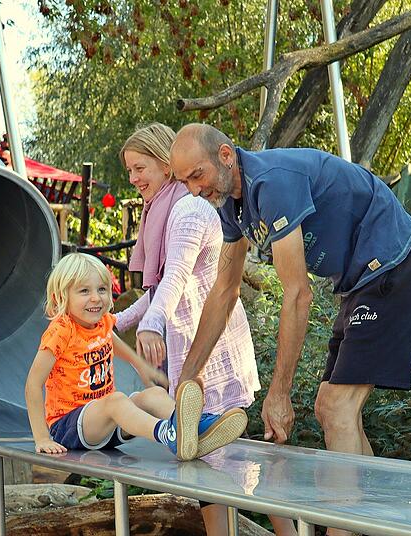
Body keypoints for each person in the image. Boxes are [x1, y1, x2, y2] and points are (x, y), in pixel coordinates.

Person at [169, 123, 411, 536]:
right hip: (359, 281)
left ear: (225, 155)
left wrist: (279, 393)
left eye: (197, 175)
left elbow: (297, 294)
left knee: (339, 408)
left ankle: (346, 528)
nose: (194, 190)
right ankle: (371, 522)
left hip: (392, 264)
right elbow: (224, 291)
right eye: (184, 182)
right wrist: (188, 375)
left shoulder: (273, 184)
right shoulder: (233, 206)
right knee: (330, 407)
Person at [117, 124, 294, 536]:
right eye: (129, 171)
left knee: (235, 463)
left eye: (140, 168)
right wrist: (118, 321)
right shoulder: (162, 212)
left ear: (165, 165)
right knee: (209, 464)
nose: (134, 178)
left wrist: (151, 323)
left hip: (213, 353)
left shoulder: (188, 211)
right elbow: (158, 288)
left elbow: (177, 277)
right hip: (192, 351)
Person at [25, 252, 247, 459]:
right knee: (117, 400)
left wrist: (141, 365)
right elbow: (33, 384)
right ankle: (169, 434)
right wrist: (42, 437)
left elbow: (111, 341)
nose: (96, 298)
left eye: (101, 289)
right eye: (84, 291)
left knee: (154, 394)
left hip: (107, 425)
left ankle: (195, 429)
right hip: (69, 426)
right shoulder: (61, 331)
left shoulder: (101, 323)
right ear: (60, 297)